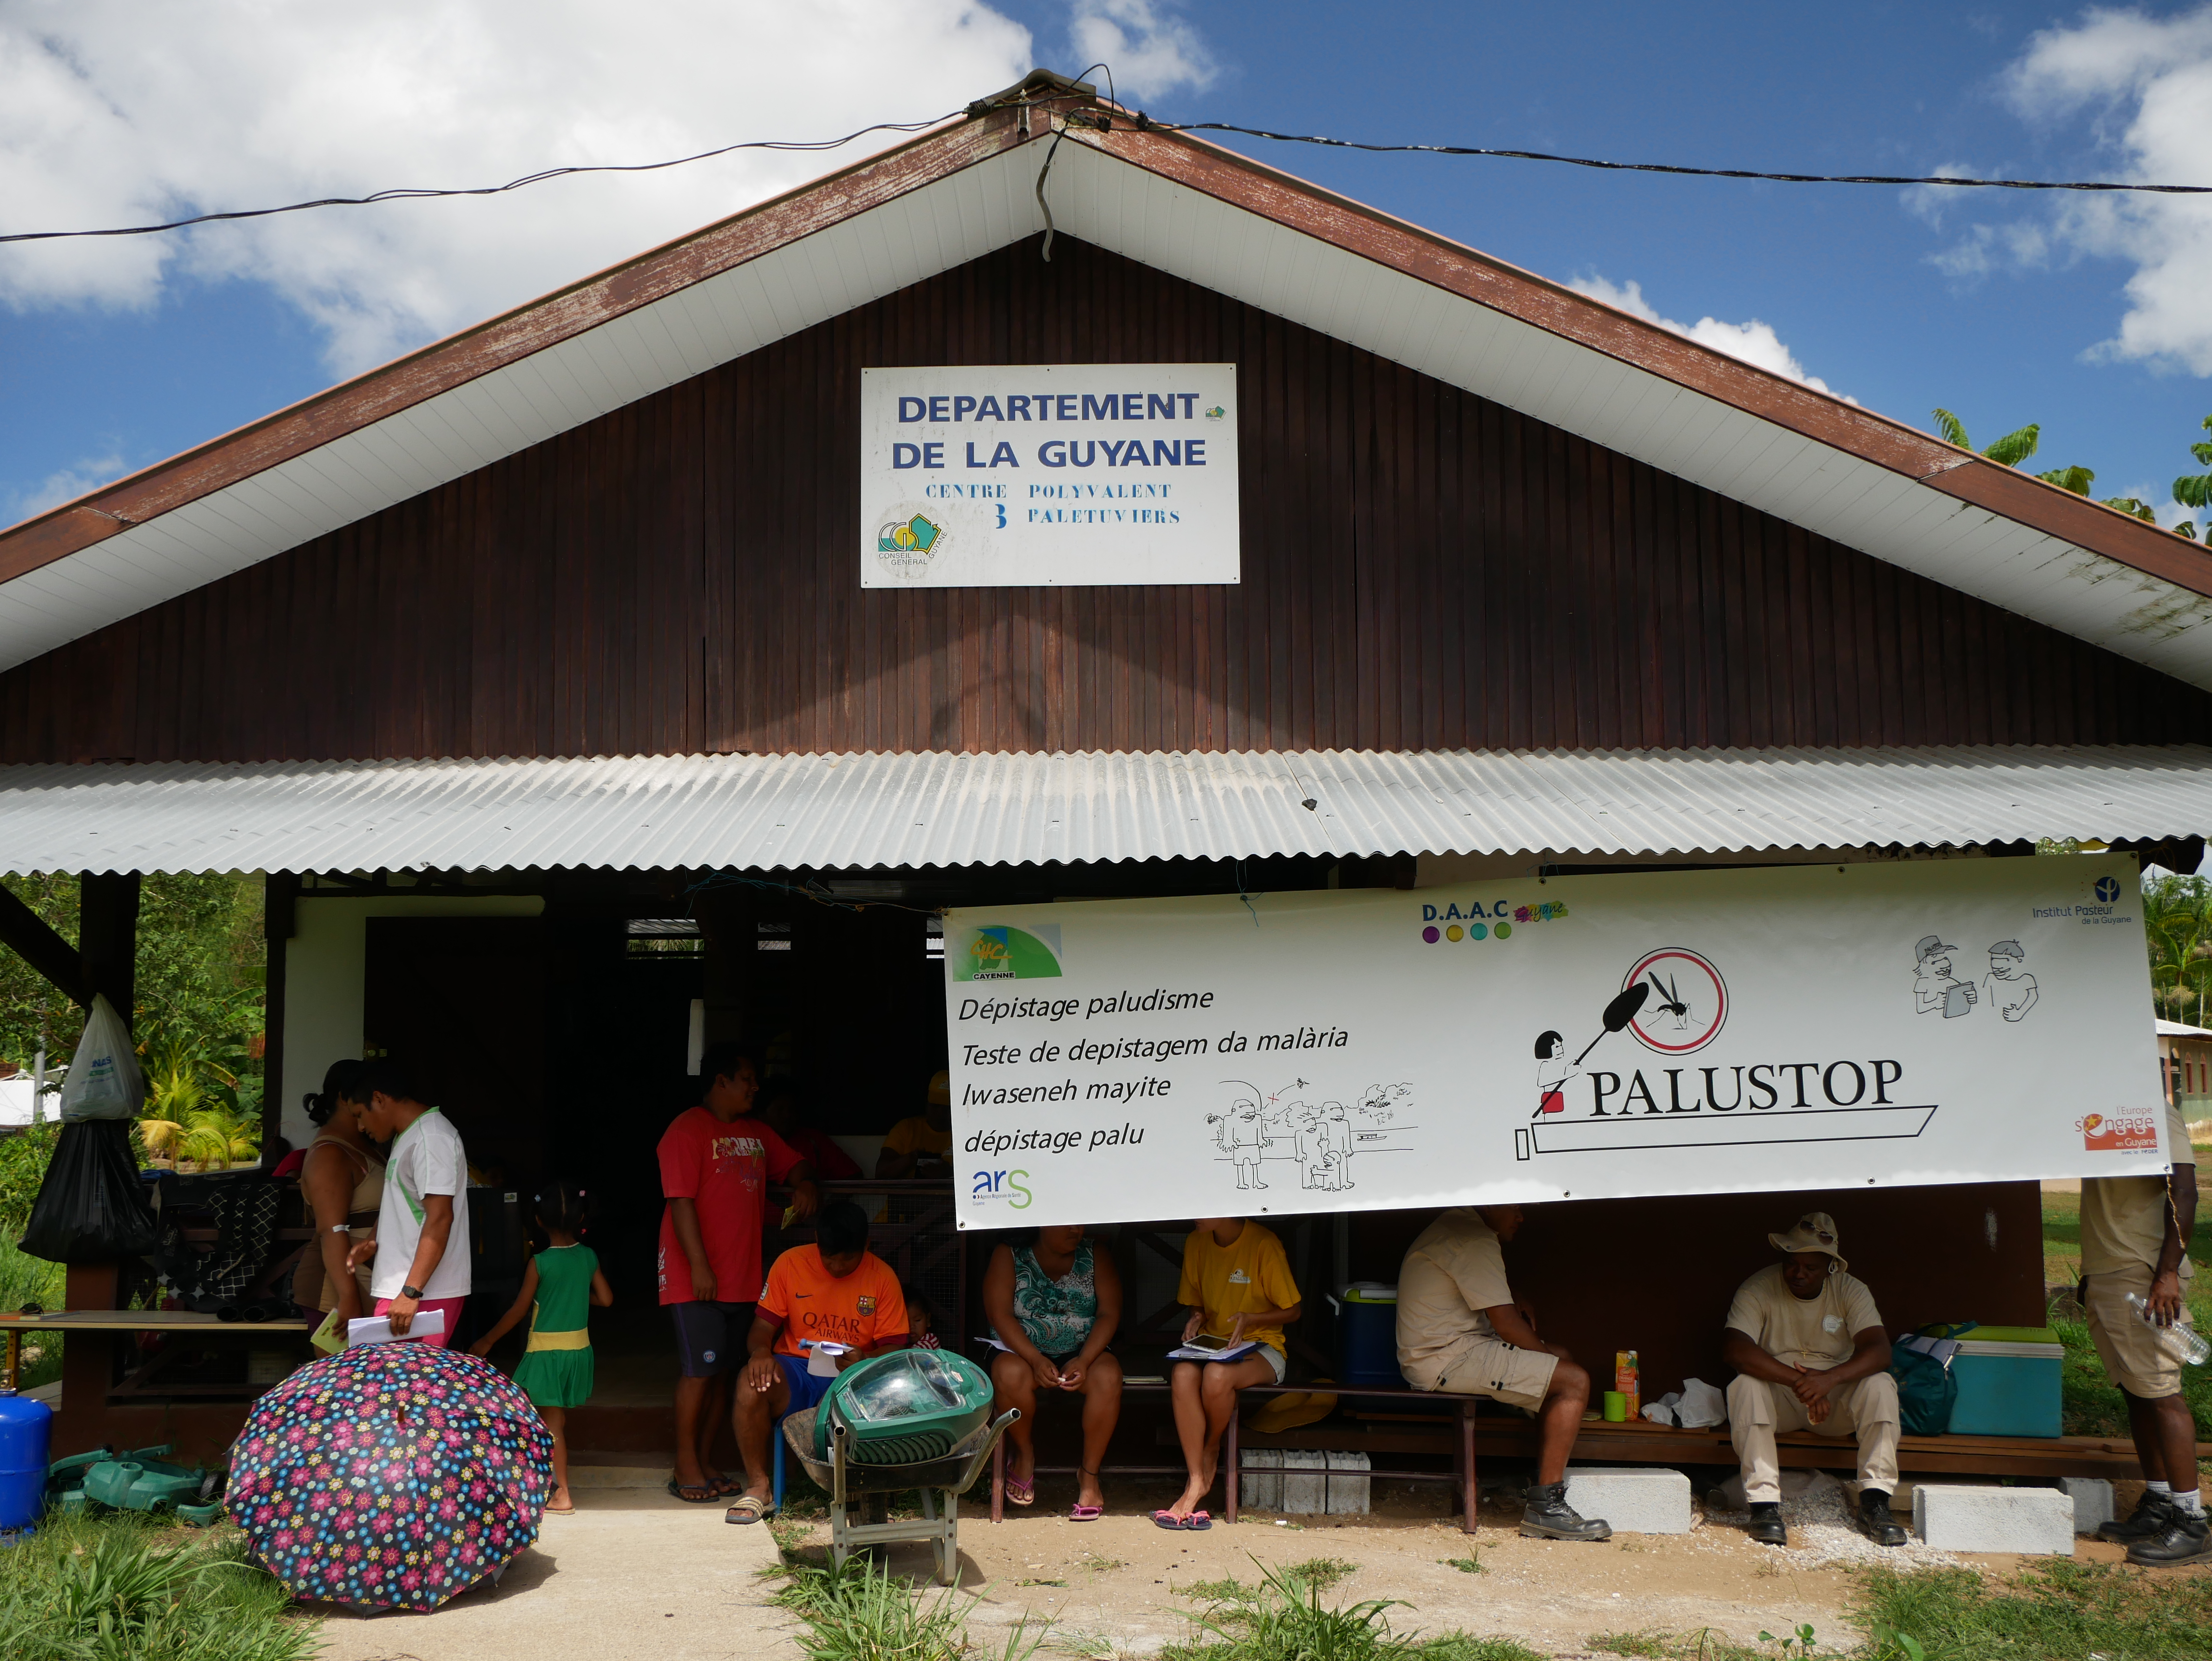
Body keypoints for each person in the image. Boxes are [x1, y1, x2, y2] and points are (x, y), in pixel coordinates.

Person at [657, 1042, 822, 1503]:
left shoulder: (757, 1132)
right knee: (698, 1373)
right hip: (698, 1279)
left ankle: (706, 1461)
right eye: (746, 1078)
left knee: (724, 1373)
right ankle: (684, 1464)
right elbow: (680, 1203)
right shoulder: (686, 1131)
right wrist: (700, 1267)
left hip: (744, 1278)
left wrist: (805, 1182)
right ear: (720, 1082)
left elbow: (798, 1163)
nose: (755, 1087)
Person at [1396, 1205, 1609, 1542]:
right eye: (1515, 1206)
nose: (1521, 1216)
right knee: (1573, 1381)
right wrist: (1550, 1367)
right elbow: (1508, 1325)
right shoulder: (1473, 1236)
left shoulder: (1459, 1223)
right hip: (1447, 1359)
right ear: (1490, 1202)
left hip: (1442, 1351)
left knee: (1562, 1360)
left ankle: (1539, 1477)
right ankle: (1546, 1509)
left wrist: (1518, 1299)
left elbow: (1488, 1295)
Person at [1722, 1212, 1904, 1548]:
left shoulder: (1851, 1290)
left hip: (1834, 1402)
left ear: (1831, 1266)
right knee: (1744, 1385)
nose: (1799, 1274)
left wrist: (1829, 1380)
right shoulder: (1759, 1287)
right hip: (1782, 1398)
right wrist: (1800, 1383)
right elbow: (1735, 1350)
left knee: (1880, 1384)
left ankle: (1875, 1501)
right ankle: (1764, 1506)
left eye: (1811, 1268)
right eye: (1792, 1264)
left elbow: (1880, 1351)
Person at [726, 1201, 909, 1524]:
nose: (838, 1267)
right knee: (750, 1382)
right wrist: (760, 1353)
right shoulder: (790, 1264)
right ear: (816, 1241)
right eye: (829, 1258)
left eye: (849, 1258)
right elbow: (762, 1328)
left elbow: (895, 1347)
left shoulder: (882, 1277)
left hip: (854, 1378)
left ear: (866, 1246)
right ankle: (759, 1485)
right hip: (796, 1370)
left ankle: (866, 1490)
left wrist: (865, 1358)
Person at [2082, 1097, 2205, 1563]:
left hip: (2144, 1273)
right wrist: (2091, 1276)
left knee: (2161, 1393)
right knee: (2136, 1393)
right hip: (2110, 1272)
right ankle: (2157, 1504)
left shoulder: (2158, 1114)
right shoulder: (2097, 1112)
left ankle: (2191, 1521)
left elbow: (2185, 1191)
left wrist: (2167, 1273)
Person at [469, 1180, 613, 1516]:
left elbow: (519, 1310)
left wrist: (487, 1340)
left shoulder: (540, 1263)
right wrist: (576, 1296)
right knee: (552, 1420)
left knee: (546, 1423)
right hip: (578, 1351)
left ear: (538, 1220)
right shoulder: (588, 1256)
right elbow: (606, 1299)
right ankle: (545, 1484)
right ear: (580, 1219)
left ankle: (561, 1493)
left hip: (546, 1354)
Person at [1159, 1217, 1301, 1530]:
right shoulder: (1197, 1241)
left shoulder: (1264, 1243)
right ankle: (1196, 1476)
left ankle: (1211, 1448)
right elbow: (1195, 1302)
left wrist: (1250, 1319)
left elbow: (1293, 1310)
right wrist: (1195, 1318)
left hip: (1263, 1345)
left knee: (1217, 1377)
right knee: (1182, 1374)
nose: (1193, 1215)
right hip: (1214, 1344)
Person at [983, 1225, 1125, 1519]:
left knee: (1109, 1377)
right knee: (1009, 1375)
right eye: (1067, 1222)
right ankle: (1023, 1454)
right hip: (1021, 1351)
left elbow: (1109, 1313)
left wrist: (1085, 1360)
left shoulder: (1096, 1253)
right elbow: (1000, 1314)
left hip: (1083, 1350)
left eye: (1080, 1222)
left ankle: (1089, 1474)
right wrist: (1034, 1359)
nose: (1077, 1230)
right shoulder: (1009, 1253)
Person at [343, 1062, 470, 1346]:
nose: (361, 1127)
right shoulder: (409, 1136)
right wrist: (374, 1239)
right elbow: (407, 1204)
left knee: (406, 1388)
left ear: (379, 1099)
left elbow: (440, 1218)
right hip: (407, 1290)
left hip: (422, 1293)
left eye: (360, 1115)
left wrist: (411, 1292)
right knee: (393, 1386)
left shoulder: (431, 1138)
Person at [292, 1059, 383, 1324]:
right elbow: (331, 1230)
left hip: (367, 1277)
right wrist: (348, 1298)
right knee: (344, 1368)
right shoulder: (330, 1153)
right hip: (336, 1286)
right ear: (345, 1098)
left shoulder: (366, 1144)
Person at [757, 1079, 862, 1178]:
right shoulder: (751, 1141)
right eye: (780, 1110)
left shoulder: (814, 1139)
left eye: (792, 1109)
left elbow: (853, 1174)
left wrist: (829, 1197)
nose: (787, 1115)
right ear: (762, 1114)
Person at [875, 1070, 954, 1178]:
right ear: (926, 1103)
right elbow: (881, 1174)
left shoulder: (969, 1132)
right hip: (907, 1194)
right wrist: (911, 1159)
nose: (941, 1113)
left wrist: (948, 1175)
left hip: (950, 1195)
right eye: (935, 1105)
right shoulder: (907, 1128)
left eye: (947, 1108)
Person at [1981, 940, 2039, 1022]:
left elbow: (2033, 997)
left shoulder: (2026, 979)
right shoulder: (1991, 978)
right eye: (1994, 959)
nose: (1997, 966)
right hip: (1992, 1021)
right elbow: (1984, 996)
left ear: (2019, 960)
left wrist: (2020, 1013)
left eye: (2005, 960)